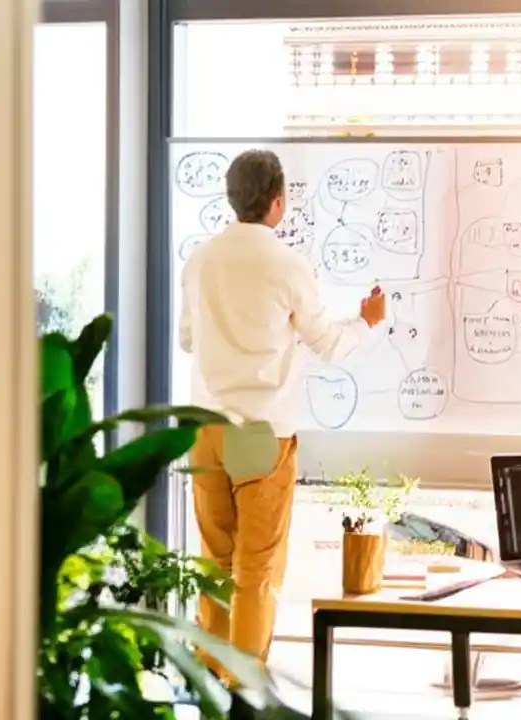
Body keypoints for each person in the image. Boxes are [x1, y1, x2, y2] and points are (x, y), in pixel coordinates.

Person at [178, 149, 386, 681]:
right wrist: (368, 321)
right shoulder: (288, 265)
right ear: (278, 201)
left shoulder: (200, 259)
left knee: (215, 561)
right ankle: (244, 687)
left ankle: (210, 681)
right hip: (259, 431)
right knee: (254, 569)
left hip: (205, 429)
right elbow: (329, 342)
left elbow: (186, 339)